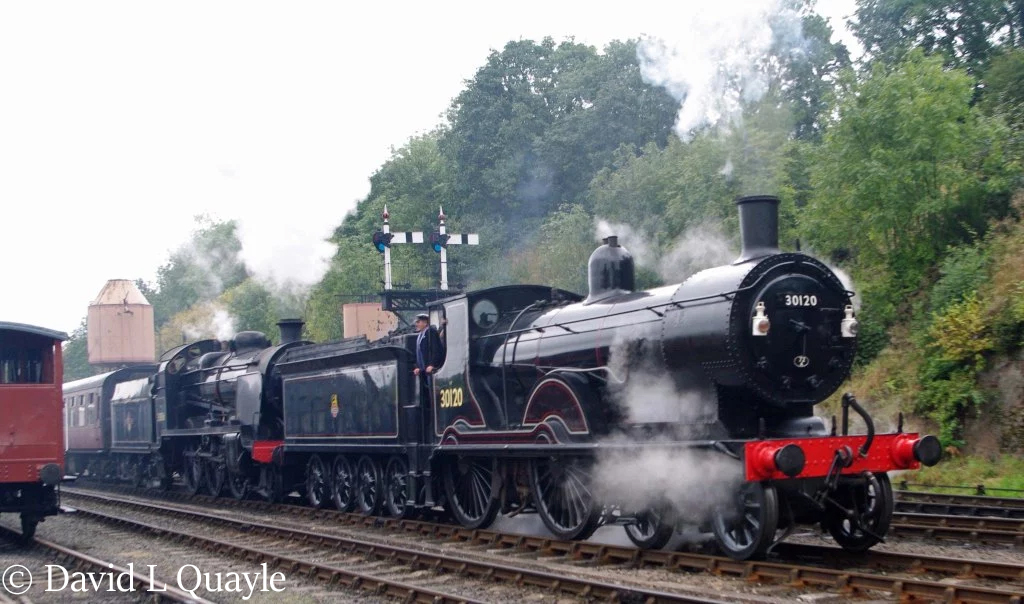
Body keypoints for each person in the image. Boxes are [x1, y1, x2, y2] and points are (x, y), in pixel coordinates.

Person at [413, 314, 445, 396]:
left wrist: (432, 364)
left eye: (418, 322)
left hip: (431, 369)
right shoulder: (420, 335)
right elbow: (419, 353)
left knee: (433, 392)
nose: (416, 324)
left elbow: (436, 350)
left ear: (425, 322)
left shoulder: (430, 332)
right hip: (424, 370)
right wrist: (417, 367)